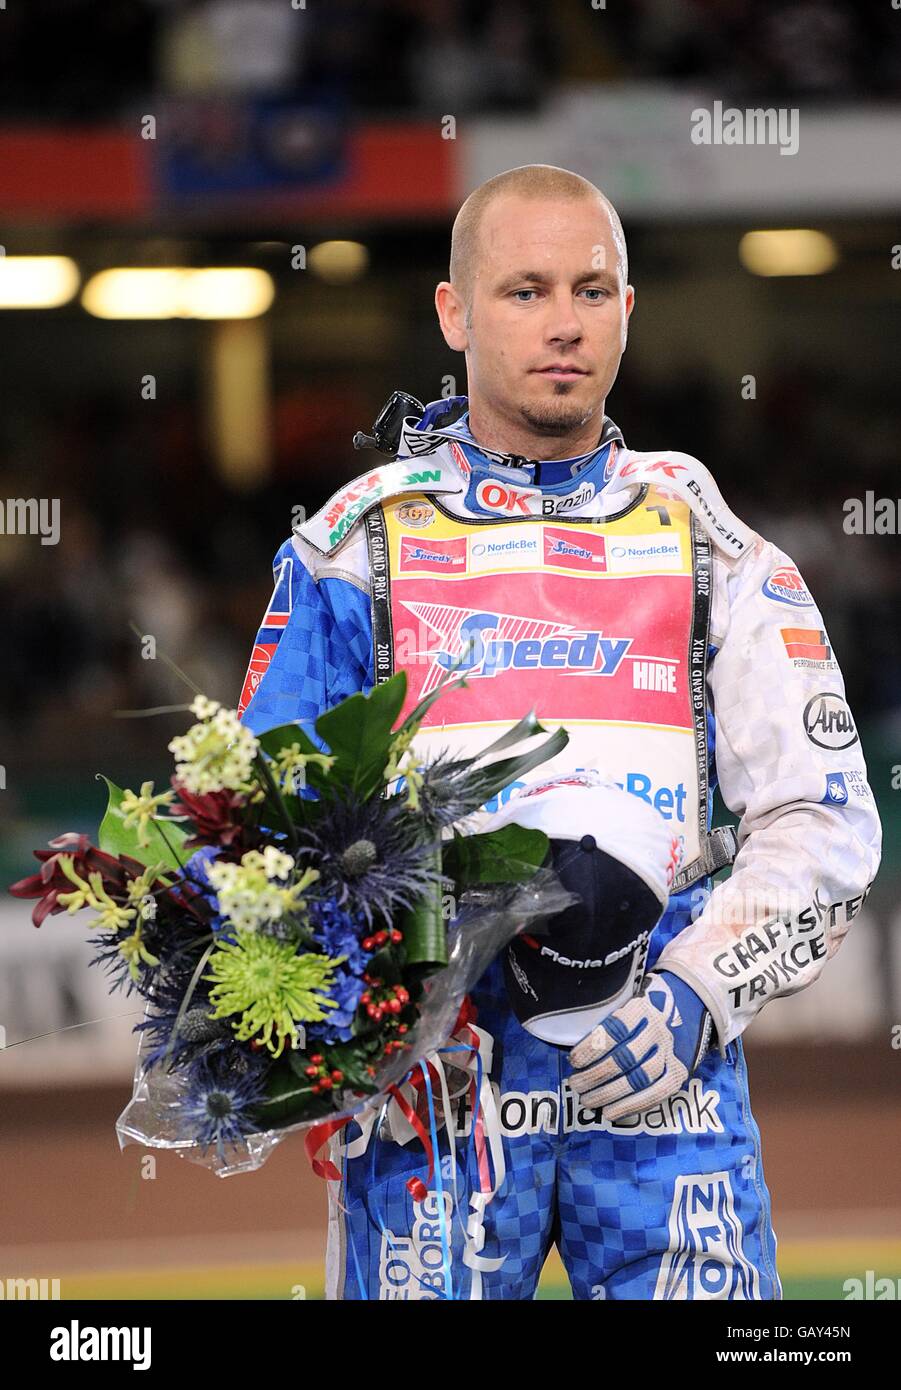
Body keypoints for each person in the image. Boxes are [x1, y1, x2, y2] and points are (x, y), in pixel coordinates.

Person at [237, 164, 882, 1300]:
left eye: (591, 289)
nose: (563, 323)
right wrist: (347, 1027)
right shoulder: (351, 547)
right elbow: (260, 838)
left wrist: (694, 995)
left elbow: (825, 825)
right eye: (524, 290)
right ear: (453, 311)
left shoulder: (708, 535)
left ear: (628, 310)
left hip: (660, 1079)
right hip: (433, 1097)